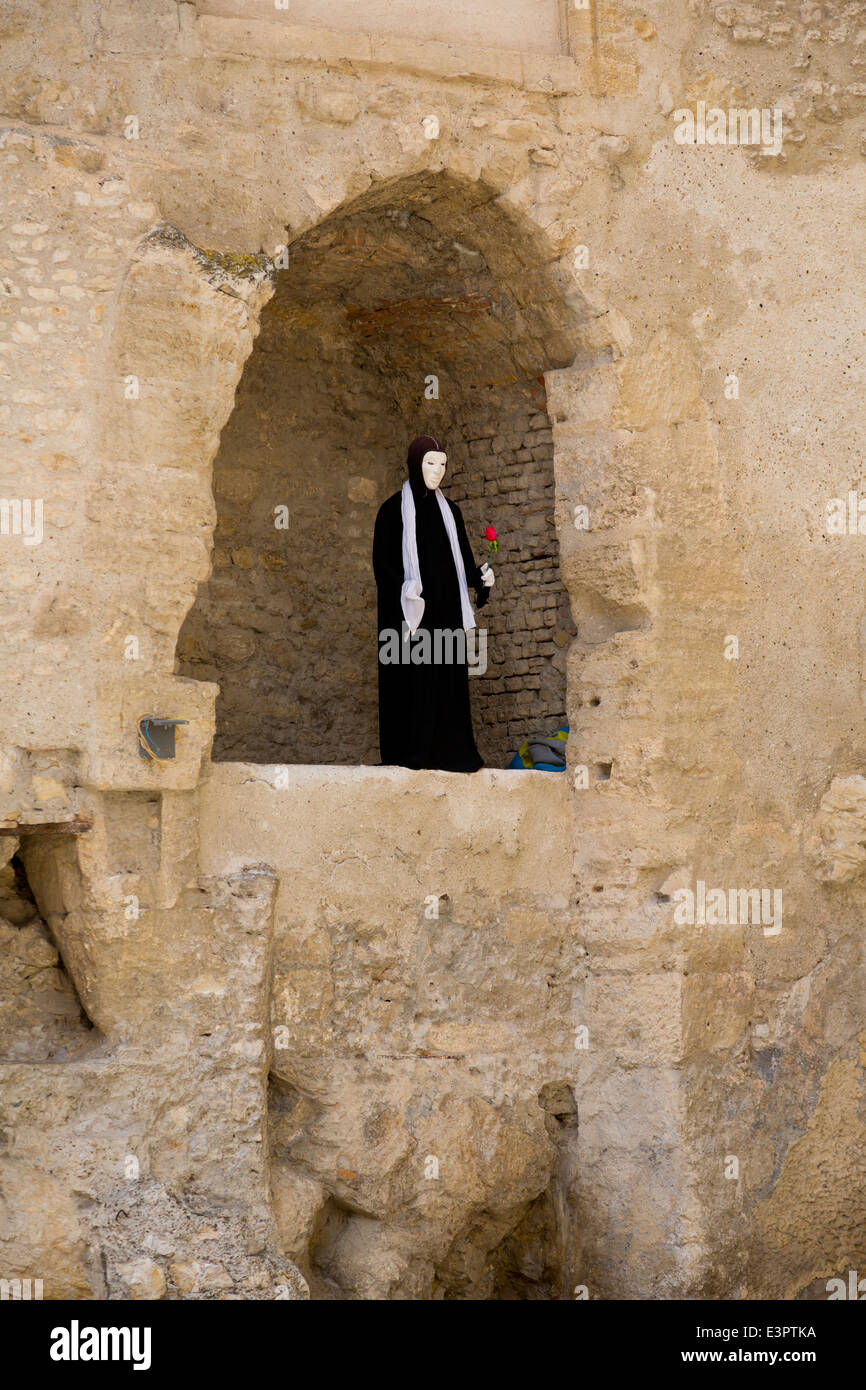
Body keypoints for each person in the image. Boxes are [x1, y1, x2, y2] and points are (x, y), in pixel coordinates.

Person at [372, 435, 495, 772]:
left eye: (442, 464)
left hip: (447, 615)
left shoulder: (451, 513)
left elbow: (463, 564)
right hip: (410, 618)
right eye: (430, 463)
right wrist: (405, 590)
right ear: (415, 464)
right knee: (413, 682)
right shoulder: (391, 512)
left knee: (447, 683)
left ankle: (452, 753)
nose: (437, 471)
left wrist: (480, 578)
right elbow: (382, 567)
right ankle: (412, 752)